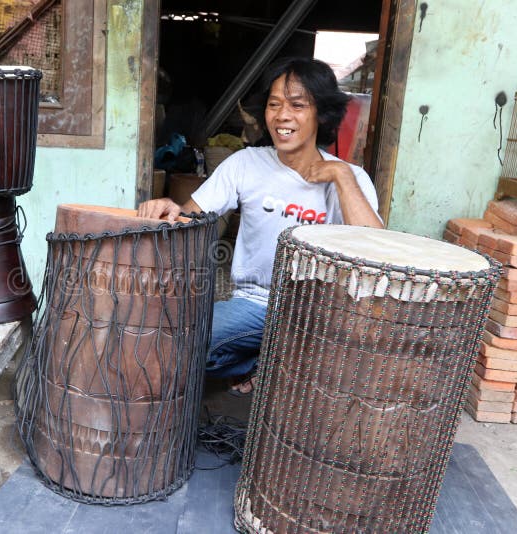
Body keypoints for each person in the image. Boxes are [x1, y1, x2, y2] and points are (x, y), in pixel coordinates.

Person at [137, 57, 384, 395]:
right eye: (274, 104)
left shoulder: (350, 178)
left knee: (188, 340)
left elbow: (376, 251)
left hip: (320, 312)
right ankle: (264, 363)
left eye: (297, 105)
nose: (282, 115)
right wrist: (171, 208)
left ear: (322, 114)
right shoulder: (245, 164)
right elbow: (189, 216)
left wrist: (340, 176)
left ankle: (270, 362)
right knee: (177, 336)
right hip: (256, 304)